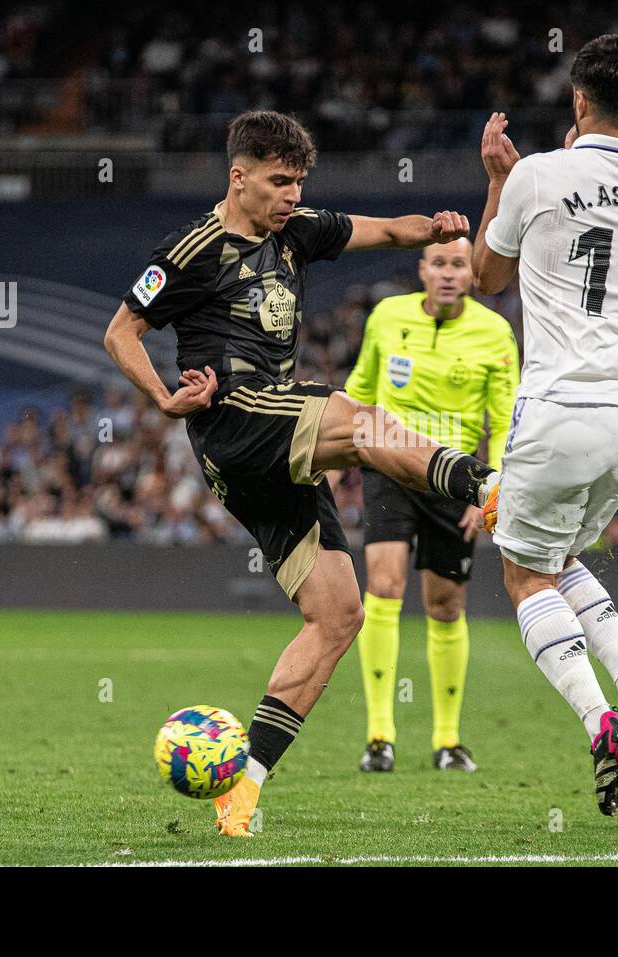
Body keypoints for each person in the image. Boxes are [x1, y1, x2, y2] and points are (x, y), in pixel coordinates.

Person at [104, 110, 499, 837]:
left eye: (299, 183)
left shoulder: (299, 230)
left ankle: (242, 791)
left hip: (271, 444)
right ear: (239, 177)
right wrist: (161, 397)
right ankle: (485, 486)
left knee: (339, 613)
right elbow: (121, 330)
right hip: (236, 419)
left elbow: (388, 231)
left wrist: (437, 226)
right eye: (280, 181)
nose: (292, 195)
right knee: (362, 421)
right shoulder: (192, 250)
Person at [470, 35, 618, 816]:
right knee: (558, 557)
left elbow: (486, 276)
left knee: (523, 572)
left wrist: (501, 181)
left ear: (578, 99)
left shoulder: (536, 175)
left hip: (560, 406)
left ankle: (602, 723)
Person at [343, 237, 519, 773]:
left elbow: (506, 421)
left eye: (458, 264)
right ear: (422, 269)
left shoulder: (495, 334)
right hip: (390, 468)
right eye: (438, 263)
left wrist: (488, 493)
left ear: (471, 275)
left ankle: (447, 740)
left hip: (454, 482)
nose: (447, 273)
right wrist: (337, 456)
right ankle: (379, 736)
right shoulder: (386, 318)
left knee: (445, 605)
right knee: (384, 585)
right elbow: (359, 392)